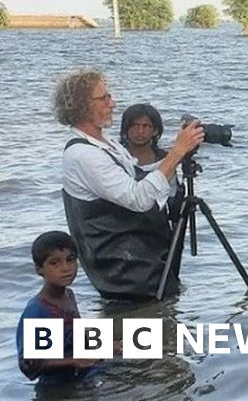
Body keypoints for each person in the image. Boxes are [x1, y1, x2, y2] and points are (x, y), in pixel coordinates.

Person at [54, 68, 204, 299]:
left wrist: (175, 157)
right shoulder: (83, 155)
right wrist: (177, 151)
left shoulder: (105, 143)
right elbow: (138, 199)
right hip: (125, 276)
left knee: (165, 314)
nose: (112, 103)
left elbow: (138, 177)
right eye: (104, 98)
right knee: (147, 320)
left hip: (141, 265)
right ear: (82, 106)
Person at [16, 231, 99, 385]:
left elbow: (75, 335)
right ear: (39, 269)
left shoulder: (68, 295)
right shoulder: (39, 310)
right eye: (55, 263)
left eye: (70, 260)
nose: (66, 268)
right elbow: (29, 365)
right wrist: (73, 361)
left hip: (83, 376)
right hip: (57, 388)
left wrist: (109, 345)